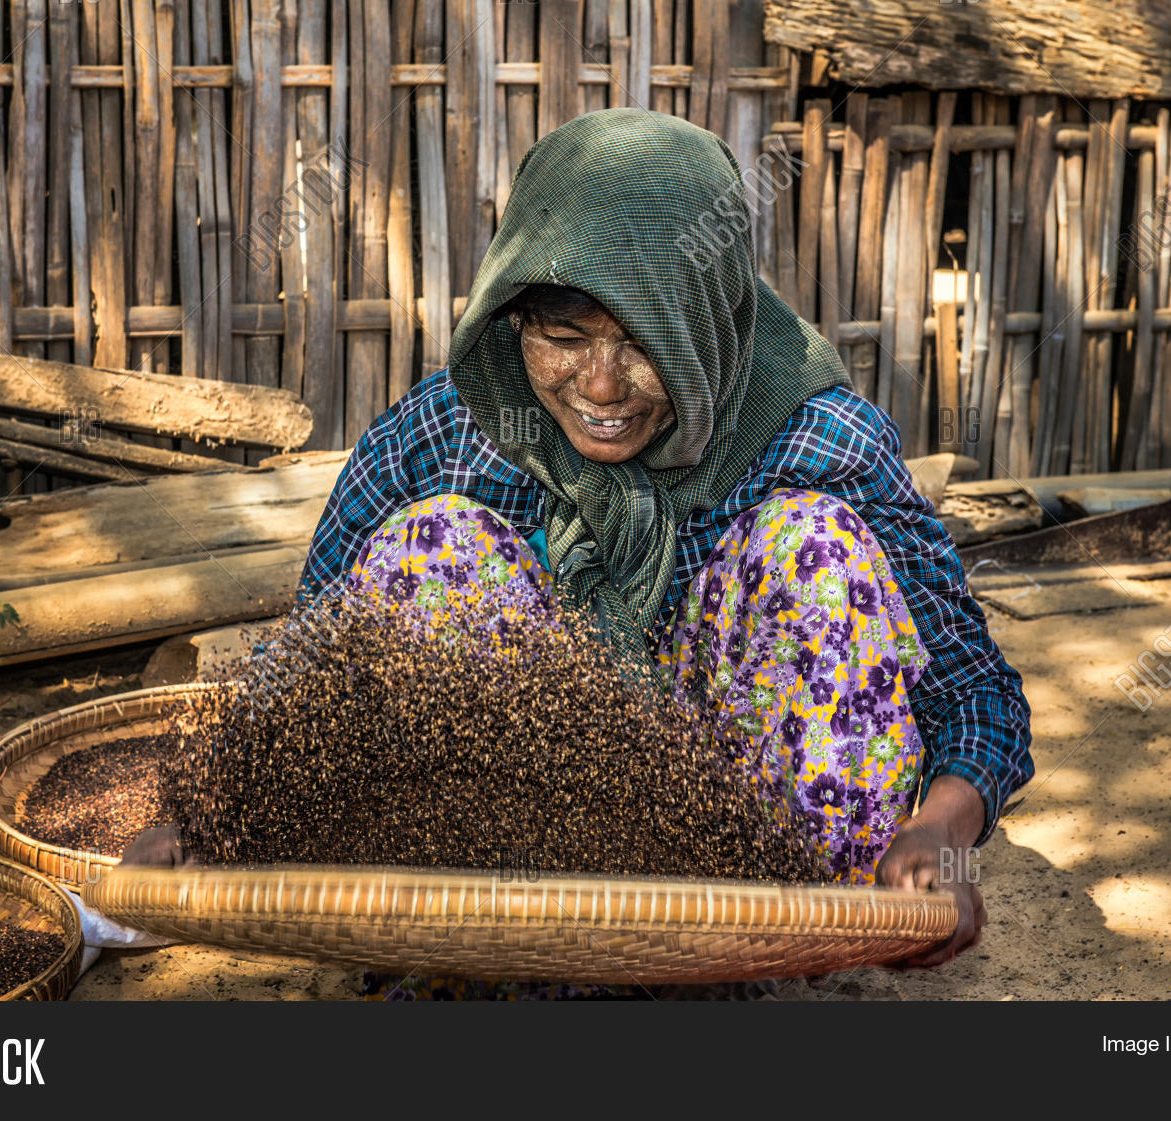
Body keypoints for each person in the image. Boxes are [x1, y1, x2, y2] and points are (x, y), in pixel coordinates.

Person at [296, 107, 1033, 974]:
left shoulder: (818, 439)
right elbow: (304, 674)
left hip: (740, 889)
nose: (600, 385)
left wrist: (941, 831)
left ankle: (720, 965)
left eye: (645, 347)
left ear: (713, 321)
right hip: (509, 895)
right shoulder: (453, 432)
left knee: (818, 551)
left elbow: (975, 692)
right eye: (563, 338)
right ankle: (495, 961)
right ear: (510, 315)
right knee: (430, 553)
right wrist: (199, 820)